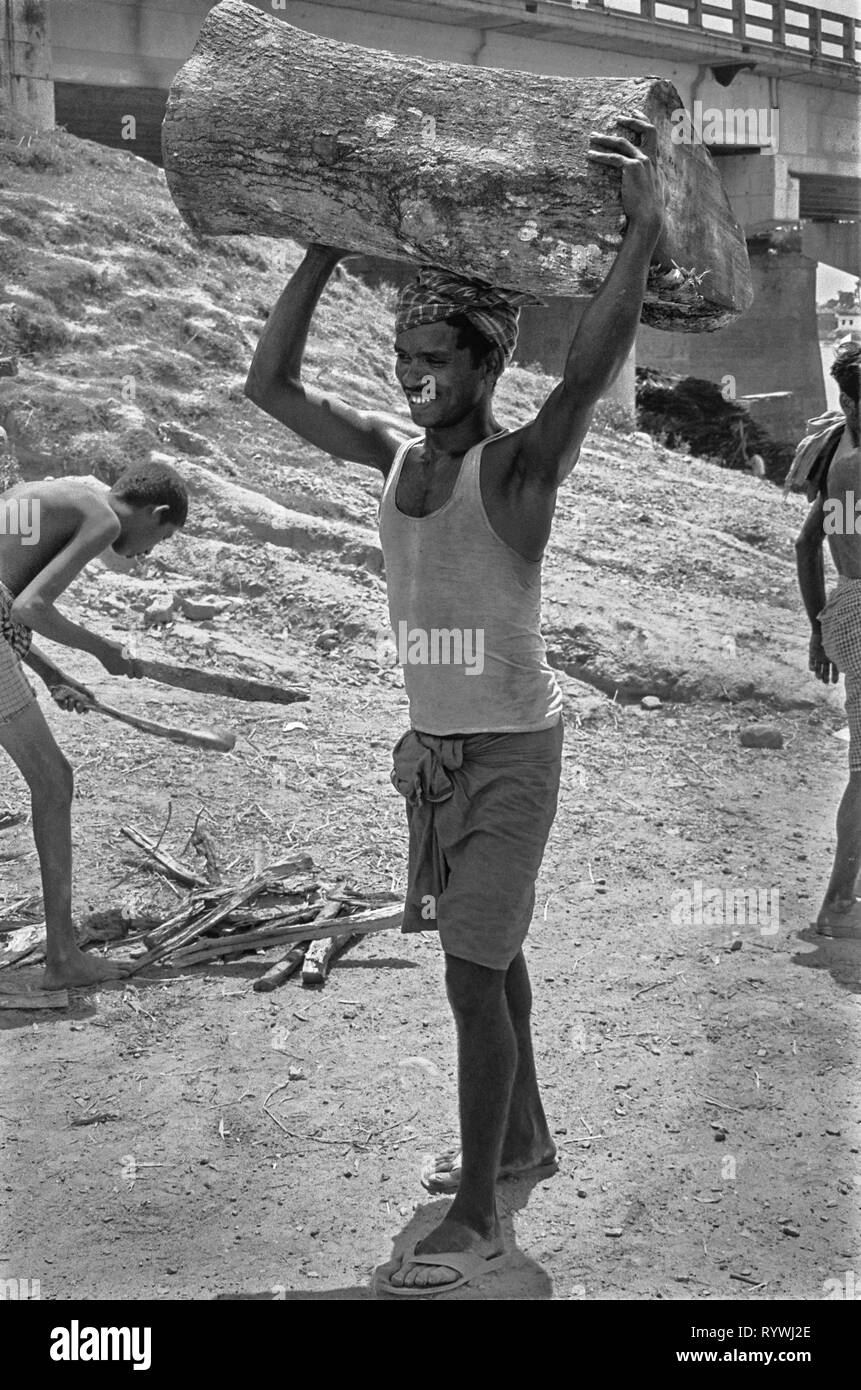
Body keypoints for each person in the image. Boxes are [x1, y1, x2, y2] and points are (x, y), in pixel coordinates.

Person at [245, 114, 668, 1295]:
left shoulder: (517, 469)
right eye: (407, 357)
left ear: (488, 367)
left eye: (441, 357)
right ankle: (523, 1141)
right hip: (431, 757)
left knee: (471, 976)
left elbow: (589, 367)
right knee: (498, 950)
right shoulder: (392, 453)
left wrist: (640, 229)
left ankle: (482, 1212)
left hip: (514, 753)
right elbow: (268, 384)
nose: (420, 374)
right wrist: (324, 250)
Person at [0, 462, 188, 987]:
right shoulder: (103, 518)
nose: (149, 552)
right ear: (158, 513)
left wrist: (55, 673)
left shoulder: (40, 491)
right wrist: (103, 649)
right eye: (162, 538)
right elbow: (33, 605)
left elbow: (8, 603)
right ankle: (64, 958)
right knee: (54, 782)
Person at [795, 339, 861, 938]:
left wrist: (820, 627)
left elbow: (805, 542)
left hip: (847, 607)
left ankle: (843, 898)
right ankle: (839, 903)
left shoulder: (841, 449)